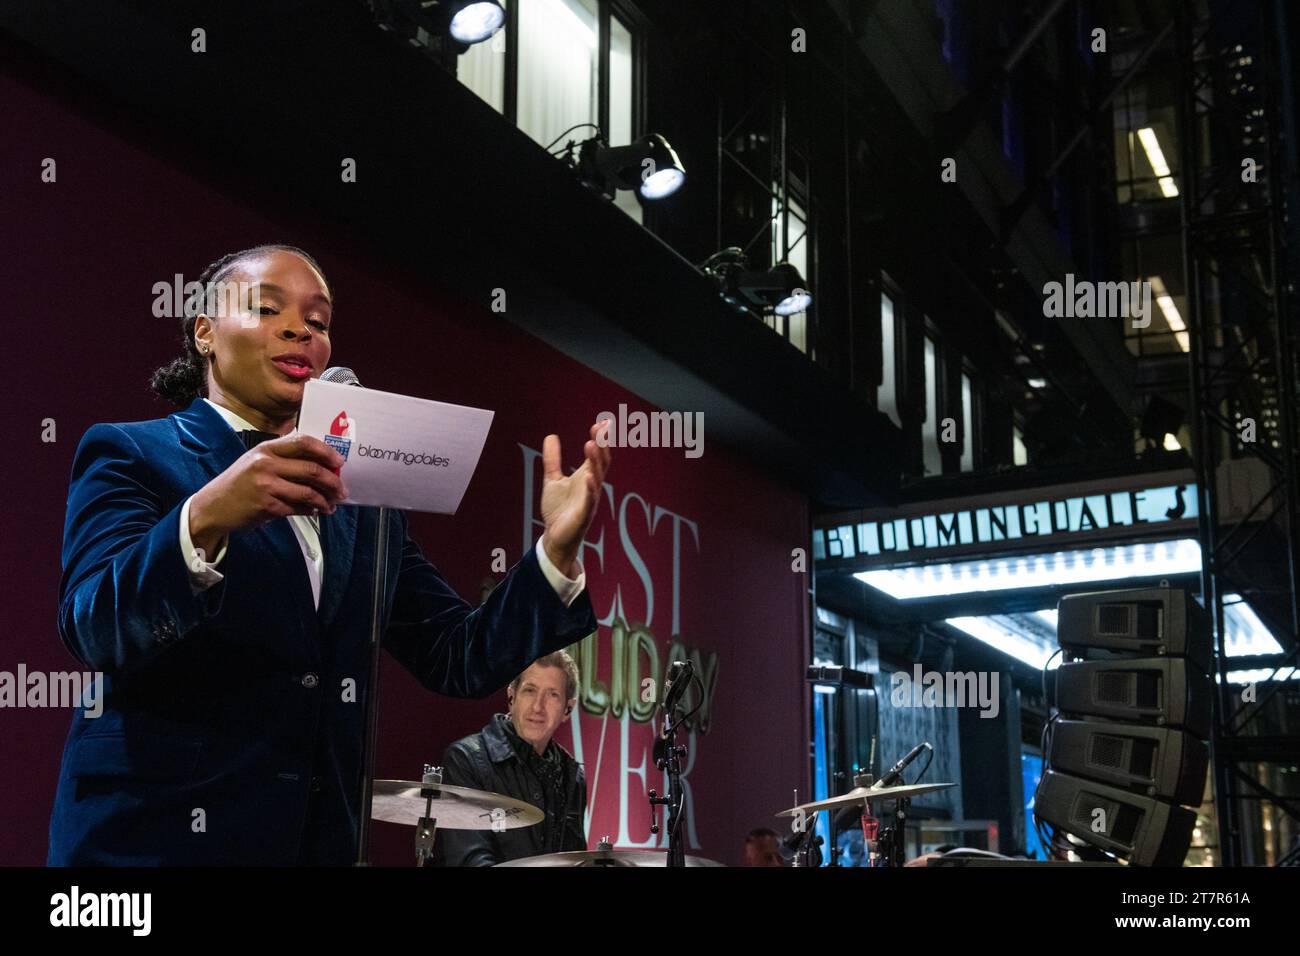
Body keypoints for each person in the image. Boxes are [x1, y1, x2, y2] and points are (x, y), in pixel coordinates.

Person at [48, 244, 611, 865]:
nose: (299, 329)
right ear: (204, 331)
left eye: (318, 322)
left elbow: (459, 656)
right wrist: (205, 517)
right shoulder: (132, 454)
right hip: (152, 846)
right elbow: (94, 626)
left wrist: (554, 553)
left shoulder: (361, 504)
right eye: (266, 308)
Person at [433, 651, 585, 866]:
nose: (538, 707)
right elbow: (470, 860)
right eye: (530, 691)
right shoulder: (465, 759)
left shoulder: (572, 774)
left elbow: (574, 859)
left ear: (568, 709)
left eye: (552, 695)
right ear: (511, 697)